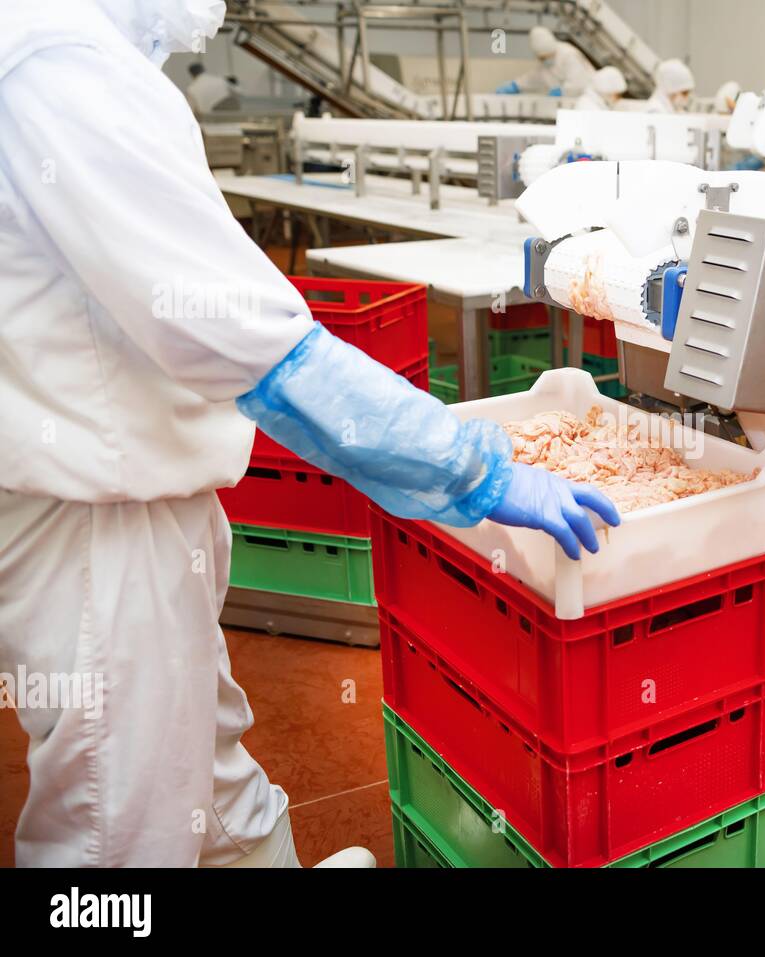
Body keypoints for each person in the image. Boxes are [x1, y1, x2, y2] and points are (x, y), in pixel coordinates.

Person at [0, 0, 620, 868]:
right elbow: (253, 342)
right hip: (101, 516)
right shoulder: (58, 56)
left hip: (134, 488)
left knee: (205, 779)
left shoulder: (67, 46)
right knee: (116, 830)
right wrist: (471, 469)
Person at [496, 25, 594, 97]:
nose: (546, 60)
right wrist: (516, 85)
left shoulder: (568, 54)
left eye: (548, 56)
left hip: (585, 100)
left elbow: (579, 82)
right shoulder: (546, 65)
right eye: (542, 58)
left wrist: (562, 91)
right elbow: (534, 77)